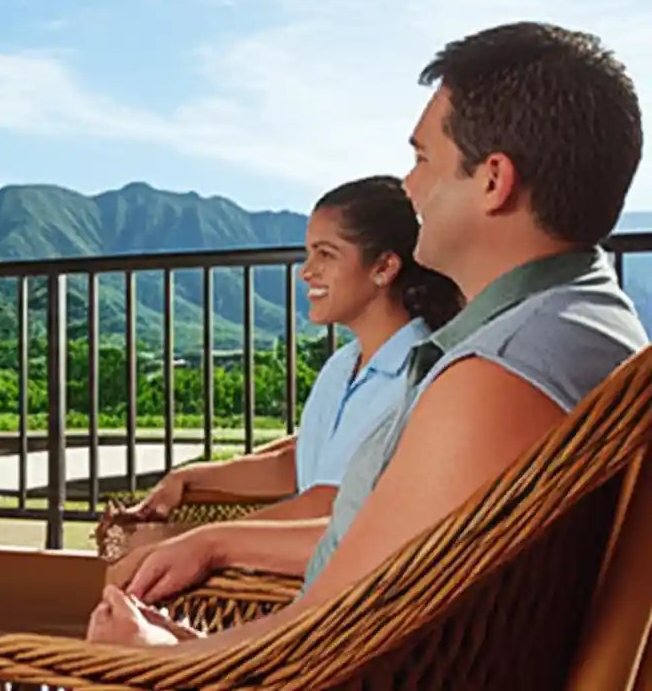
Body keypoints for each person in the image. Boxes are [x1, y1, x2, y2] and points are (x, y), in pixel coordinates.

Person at [86, 20, 648, 651]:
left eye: (422, 159)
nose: (410, 188)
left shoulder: (497, 380)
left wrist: (164, 658)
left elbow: (331, 635)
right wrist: (212, 546)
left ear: (493, 180)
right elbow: (383, 560)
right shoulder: (590, 329)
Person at [105, 175, 464, 600]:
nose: (306, 271)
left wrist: (191, 541)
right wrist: (190, 476)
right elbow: (299, 463)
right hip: (296, 574)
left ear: (384, 268)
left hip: (338, 594)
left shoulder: (415, 374)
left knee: (133, 573)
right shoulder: (344, 364)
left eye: (326, 254)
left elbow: (330, 503)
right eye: (309, 253)